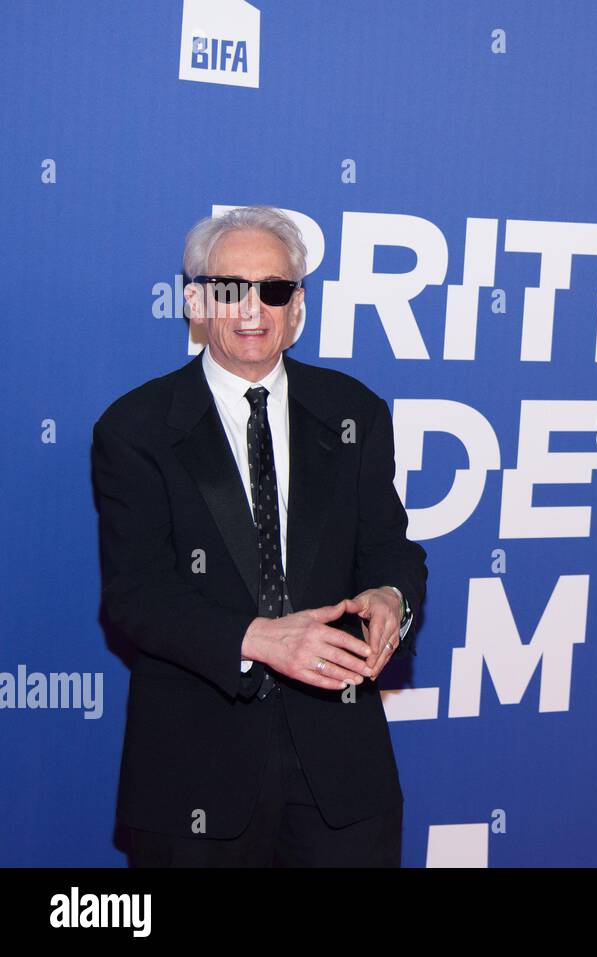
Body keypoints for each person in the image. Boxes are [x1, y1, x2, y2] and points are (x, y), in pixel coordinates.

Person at [91, 205, 427, 866]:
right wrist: (262, 638)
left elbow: (390, 544)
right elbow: (137, 594)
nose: (253, 309)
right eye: (229, 289)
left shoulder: (354, 412)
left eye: (274, 289)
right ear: (194, 299)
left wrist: (391, 596)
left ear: (297, 305)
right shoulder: (136, 428)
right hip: (195, 767)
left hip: (342, 769)